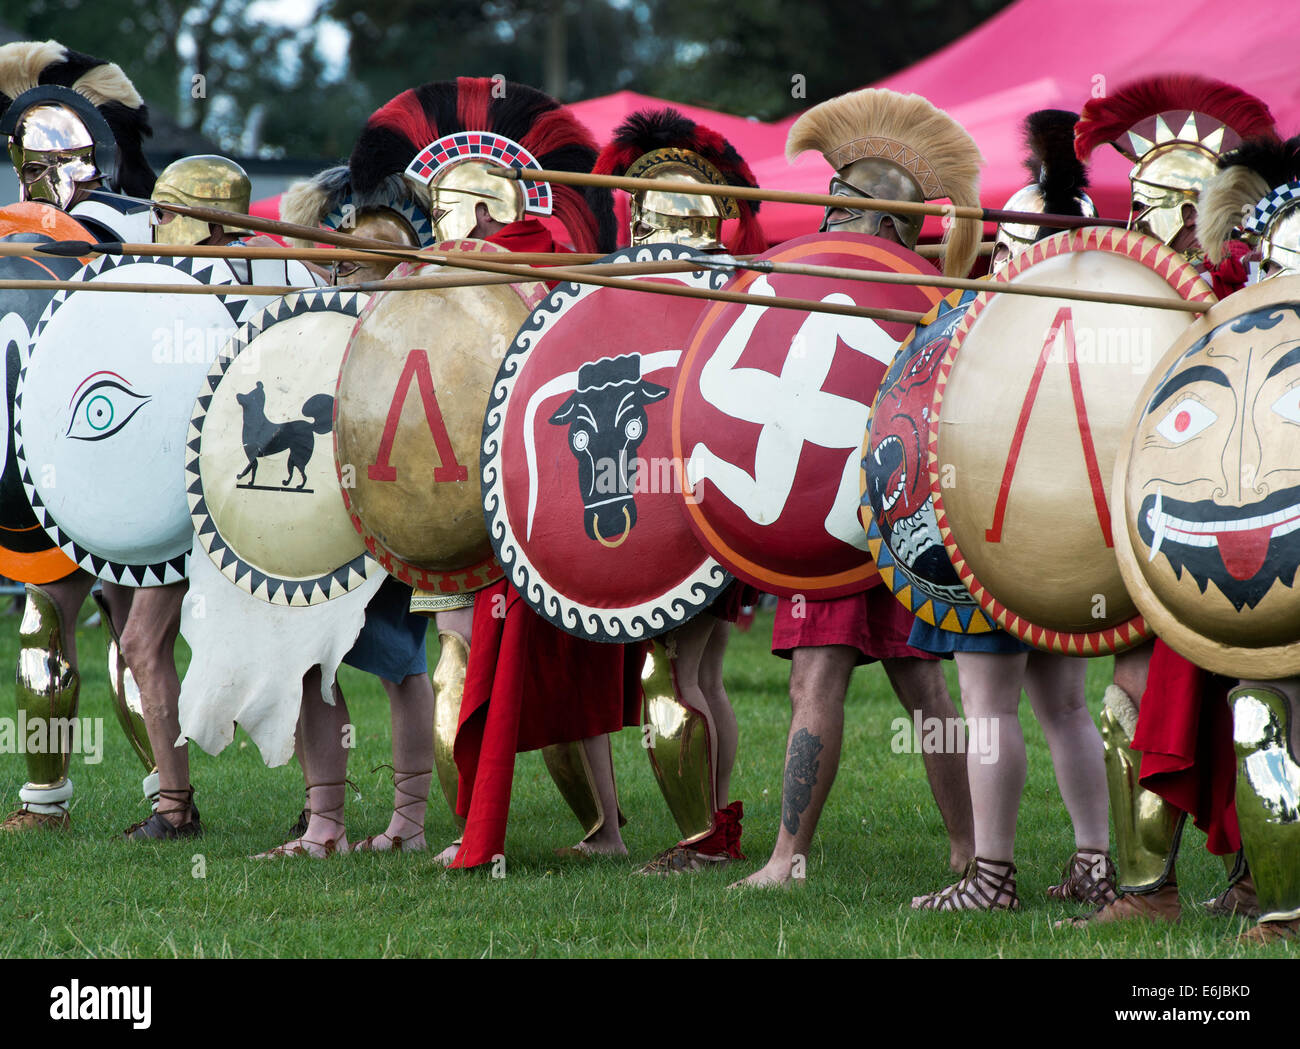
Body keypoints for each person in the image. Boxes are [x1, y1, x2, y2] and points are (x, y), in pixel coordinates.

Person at [346, 76, 638, 867]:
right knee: (538, 660)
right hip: (494, 496)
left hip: (503, 497)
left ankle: (480, 833)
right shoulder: (544, 276)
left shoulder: (518, 277)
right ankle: (581, 829)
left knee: (465, 652)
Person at [736, 88, 980, 889]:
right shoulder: (833, 281)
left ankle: (788, 858)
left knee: (856, 678)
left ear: (882, 222)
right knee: (918, 682)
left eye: (846, 207)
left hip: (870, 509)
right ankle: (970, 854)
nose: (831, 222)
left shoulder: (928, 297)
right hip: (846, 507)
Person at [1068, 75, 1278, 922]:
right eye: (1158, 204)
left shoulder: (1259, 292)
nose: (1175, 224)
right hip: (1153, 521)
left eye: (1191, 206)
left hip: (1256, 522)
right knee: (1132, 700)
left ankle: (1264, 878)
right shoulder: (1109, 293)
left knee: (1262, 706)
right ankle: (1147, 888)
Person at [910, 111, 1115, 912]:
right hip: (1071, 544)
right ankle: (1095, 864)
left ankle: (990, 877)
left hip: (995, 533)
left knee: (987, 711)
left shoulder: (986, 337)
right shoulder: (1109, 334)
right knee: (1065, 705)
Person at [588, 107, 765, 873]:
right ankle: (717, 827)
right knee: (705, 673)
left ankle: (701, 839)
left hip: (691, 506)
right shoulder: (736, 285)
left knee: (673, 673)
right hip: (693, 501)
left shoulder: (716, 290)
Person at [251, 164, 444, 857]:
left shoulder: (426, 296)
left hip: (393, 497)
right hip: (318, 504)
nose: (348, 262)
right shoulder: (312, 300)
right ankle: (324, 823)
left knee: (401, 663)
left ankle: (409, 824)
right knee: (310, 659)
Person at [0, 40, 155, 831]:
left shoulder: (132, 227)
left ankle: (160, 794)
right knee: (84, 620)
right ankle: (148, 794)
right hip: (61, 453)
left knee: (124, 628)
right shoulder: (124, 223)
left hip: (114, 445)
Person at [1183, 132, 1300, 941]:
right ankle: (1273, 890)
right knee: (1261, 704)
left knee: (1268, 704)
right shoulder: (1248, 319)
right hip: (1266, 525)